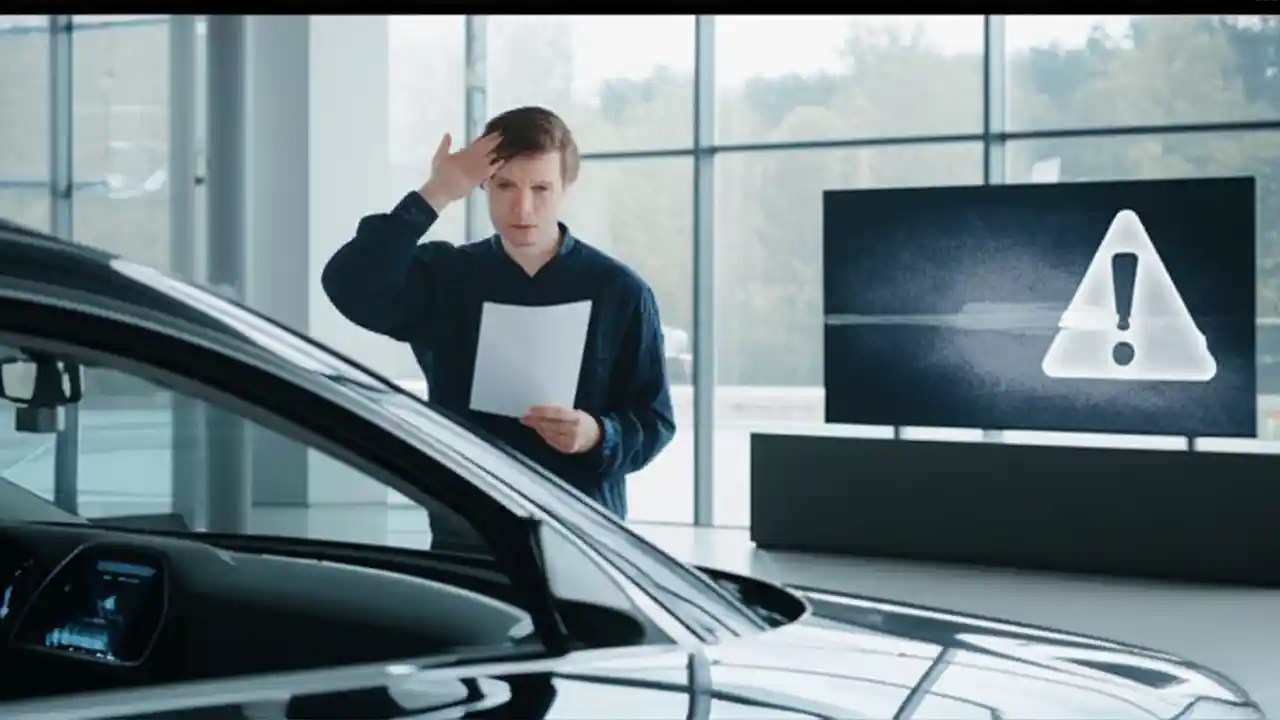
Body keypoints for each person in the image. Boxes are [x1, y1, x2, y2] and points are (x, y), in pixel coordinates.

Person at [321, 106, 675, 520]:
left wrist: (597, 436)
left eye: (541, 188)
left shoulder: (620, 291)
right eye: (505, 186)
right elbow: (350, 285)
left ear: (567, 187)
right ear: (483, 185)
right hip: (469, 520)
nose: (522, 208)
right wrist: (436, 192)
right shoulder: (445, 276)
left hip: (582, 523)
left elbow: (654, 420)